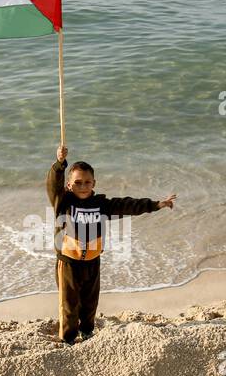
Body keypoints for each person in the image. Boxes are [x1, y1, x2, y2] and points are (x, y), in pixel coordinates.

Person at [46, 144, 175, 344]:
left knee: (90, 302)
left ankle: (87, 331)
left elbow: (128, 205)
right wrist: (60, 164)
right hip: (69, 263)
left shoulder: (102, 204)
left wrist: (156, 204)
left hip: (93, 262)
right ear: (69, 185)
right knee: (69, 304)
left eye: (87, 182)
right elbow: (54, 185)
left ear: (94, 183)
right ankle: (68, 338)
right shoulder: (63, 202)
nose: (82, 186)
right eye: (78, 182)